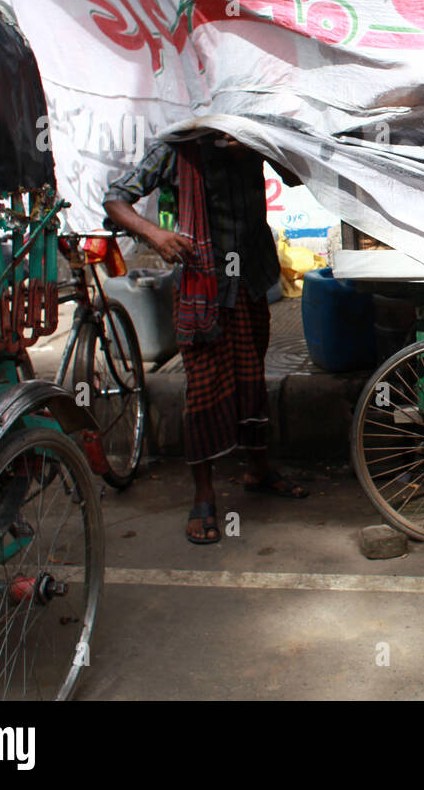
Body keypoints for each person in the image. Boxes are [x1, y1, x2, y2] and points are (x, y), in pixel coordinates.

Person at [104, 130, 310, 545]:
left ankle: (258, 469)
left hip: (250, 280)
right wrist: (155, 234)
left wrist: (260, 144)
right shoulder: (177, 149)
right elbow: (116, 199)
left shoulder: (252, 140)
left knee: (252, 378)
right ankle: (203, 496)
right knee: (203, 391)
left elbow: (298, 175)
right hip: (202, 286)